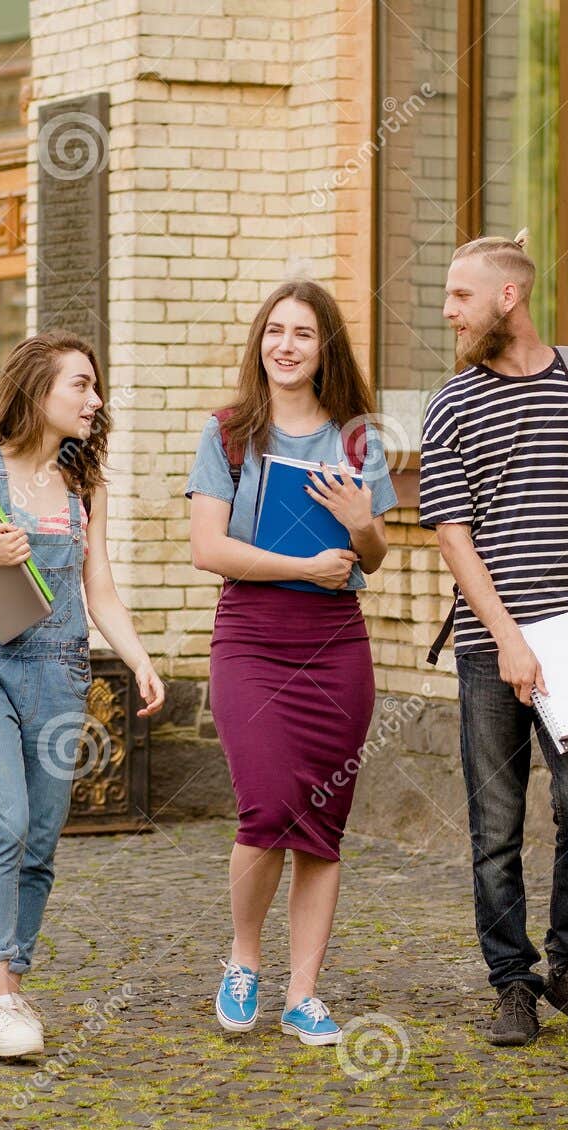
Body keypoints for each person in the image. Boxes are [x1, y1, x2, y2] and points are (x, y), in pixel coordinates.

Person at [419, 232, 568, 1047]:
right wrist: (506, 636)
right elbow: (451, 529)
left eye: (460, 297)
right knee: (495, 826)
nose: (449, 312)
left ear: (508, 297)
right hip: (490, 648)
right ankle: (512, 980)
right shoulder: (452, 402)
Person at [187, 281, 397, 1046]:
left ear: (324, 347)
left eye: (303, 333)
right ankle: (244, 959)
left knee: (321, 823)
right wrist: (301, 566)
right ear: (260, 342)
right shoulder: (230, 432)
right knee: (267, 807)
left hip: (336, 641)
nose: (286, 344)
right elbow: (207, 547)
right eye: (275, 330)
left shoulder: (355, 440)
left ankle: (304, 992)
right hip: (252, 637)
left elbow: (373, 552)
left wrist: (358, 524)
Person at [0, 330, 164, 1059]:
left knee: (39, 841)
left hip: (62, 670)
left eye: (96, 387)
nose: (96, 400)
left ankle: (16, 975)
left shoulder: (83, 486)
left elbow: (97, 586)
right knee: (3, 822)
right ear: (38, 390)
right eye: (81, 385)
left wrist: (137, 658)